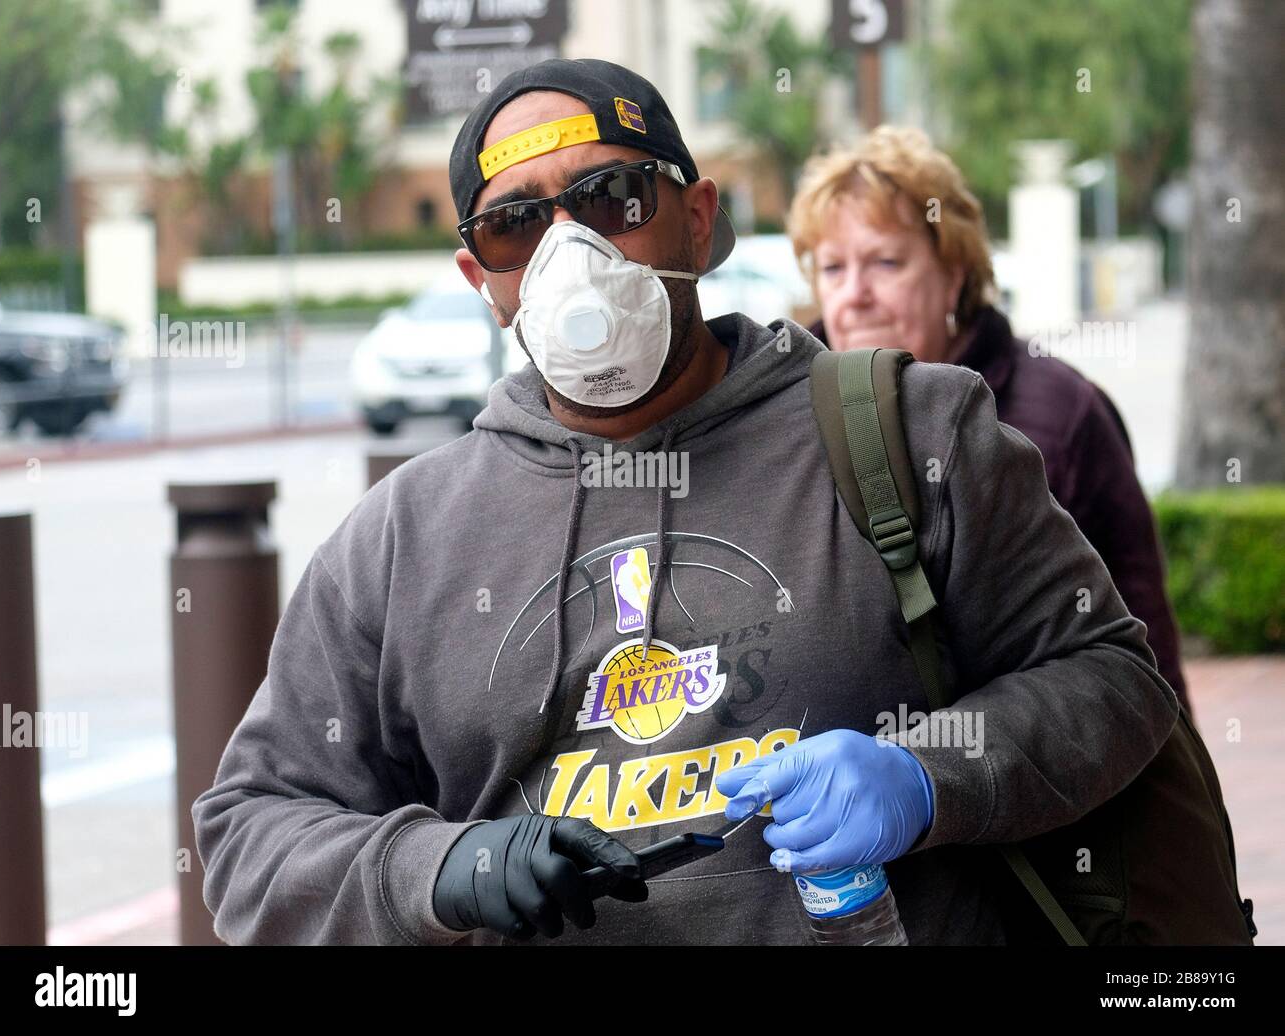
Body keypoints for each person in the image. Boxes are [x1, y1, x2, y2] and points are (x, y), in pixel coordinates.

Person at [192, 59, 1178, 946]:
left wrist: (928, 778)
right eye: (515, 222)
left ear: (698, 219)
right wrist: (445, 869)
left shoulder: (914, 436)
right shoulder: (401, 541)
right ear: (480, 278)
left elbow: (1112, 680)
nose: (568, 248)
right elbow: (251, 834)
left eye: (611, 196)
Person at [790, 125, 1190, 712]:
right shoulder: (789, 415)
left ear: (954, 273)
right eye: (832, 269)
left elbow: (1139, 644)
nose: (855, 295)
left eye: (885, 262)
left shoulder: (1061, 411)